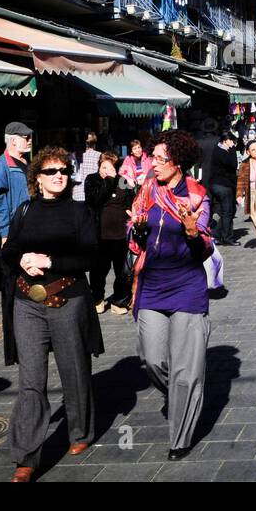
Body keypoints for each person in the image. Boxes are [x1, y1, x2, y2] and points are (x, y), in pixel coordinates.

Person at [1, 147, 101, 481]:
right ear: (37, 178)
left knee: (73, 370)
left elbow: (90, 257)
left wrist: (50, 263)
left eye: (64, 170)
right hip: (27, 303)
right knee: (31, 380)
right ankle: (26, 457)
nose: (59, 175)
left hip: (67, 299)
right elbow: (10, 249)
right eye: (51, 171)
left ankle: (81, 431)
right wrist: (22, 259)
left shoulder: (79, 211)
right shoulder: (25, 210)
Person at [127, 130, 214, 460]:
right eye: (153, 158)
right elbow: (134, 237)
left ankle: (179, 438)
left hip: (186, 286)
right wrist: (135, 229)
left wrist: (192, 232)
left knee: (185, 369)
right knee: (152, 358)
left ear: (178, 163)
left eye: (161, 159)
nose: (154, 164)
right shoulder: (147, 188)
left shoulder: (196, 196)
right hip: (152, 283)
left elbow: (205, 246)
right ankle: (180, 395)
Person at [84, 153, 135, 314]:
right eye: (104, 167)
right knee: (98, 270)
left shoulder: (123, 181)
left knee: (122, 271)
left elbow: (130, 201)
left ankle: (119, 301)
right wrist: (108, 180)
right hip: (100, 234)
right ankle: (97, 298)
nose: (107, 170)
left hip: (120, 233)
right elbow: (94, 199)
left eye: (111, 167)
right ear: (99, 166)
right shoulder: (92, 180)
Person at [0, 121, 33, 246]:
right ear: (13, 141)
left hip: (28, 228)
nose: (30, 140)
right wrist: (5, 234)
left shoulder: (27, 163)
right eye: (26, 137)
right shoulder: (0, 167)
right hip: (13, 232)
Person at [208, 131, 240, 245]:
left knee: (224, 211)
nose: (233, 144)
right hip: (223, 186)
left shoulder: (219, 150)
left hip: (219, 185)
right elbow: (233, 164)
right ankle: (227, 237)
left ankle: (217, 234)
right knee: (228, 211)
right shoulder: (221, 151)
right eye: (232, 141)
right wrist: (232, 150)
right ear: (226, 141)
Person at [72, 131, 102, 203]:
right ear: (95, 143)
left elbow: (72, 176)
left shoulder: (73, 156)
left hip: (77, 193)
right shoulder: (99, 155)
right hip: (93, 194)